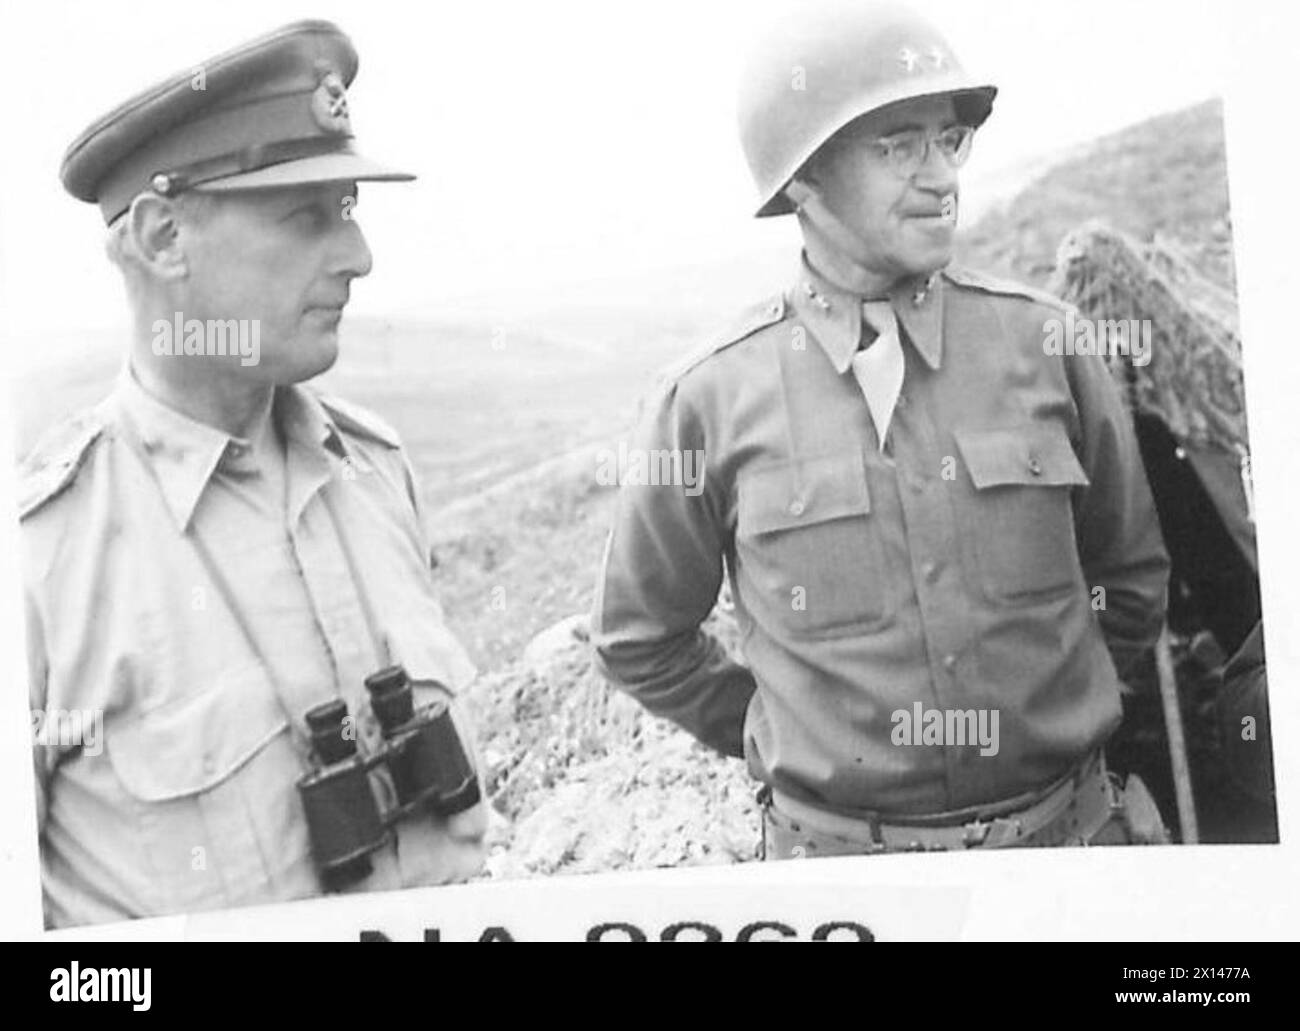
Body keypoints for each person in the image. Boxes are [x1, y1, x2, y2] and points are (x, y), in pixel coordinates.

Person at [591, 1, 1172, 858]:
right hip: (844, 885)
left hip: (1071, 851)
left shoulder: (1048, 346)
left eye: (948, 140)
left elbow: (1129, 582)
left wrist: (1057, 723)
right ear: (803, 177)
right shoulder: (708, 399)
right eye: (898, 146)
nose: (941, 176)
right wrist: (780, 730)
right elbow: (641, 639)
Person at [22, 20, 486, 927]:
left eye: (346, 210)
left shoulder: (375, 474)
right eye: (307, 216)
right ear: (162, 237)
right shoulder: (40, 567)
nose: (358, 257)